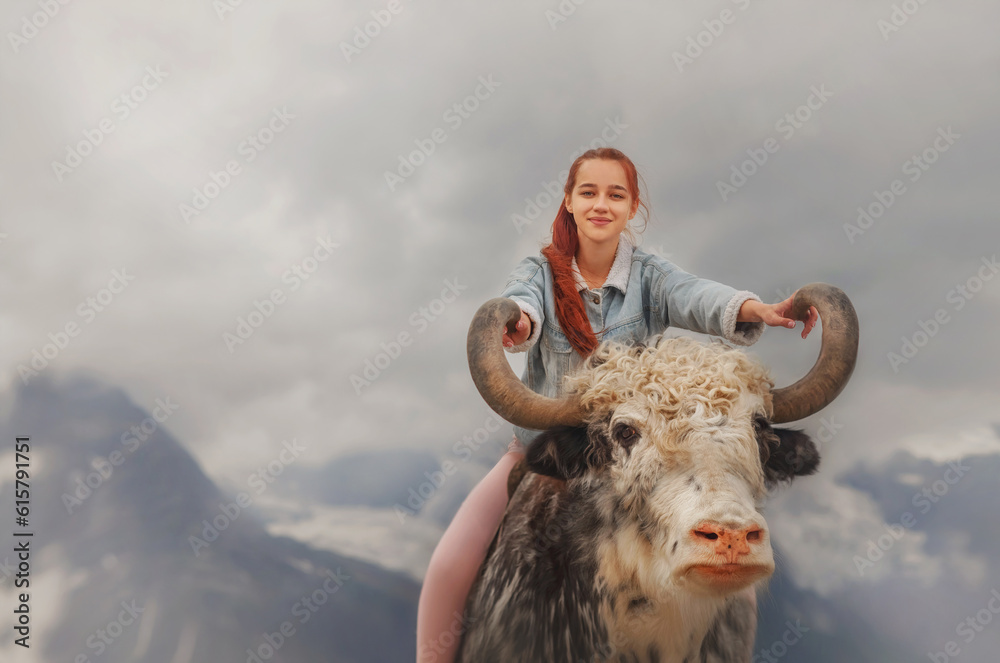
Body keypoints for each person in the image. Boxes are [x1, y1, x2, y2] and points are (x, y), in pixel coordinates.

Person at [415, 147, 817, 662]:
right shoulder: (540, 272)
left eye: (615, 194)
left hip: (654, 457)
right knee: (451, 562)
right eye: (588, 192)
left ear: (632, 208)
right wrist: (519, 321)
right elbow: (522, 302)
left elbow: (695, 295)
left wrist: (754, 308)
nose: (601, 204)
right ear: (568, 201)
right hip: (552, 449)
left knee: (736, 580)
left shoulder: (650, 275)